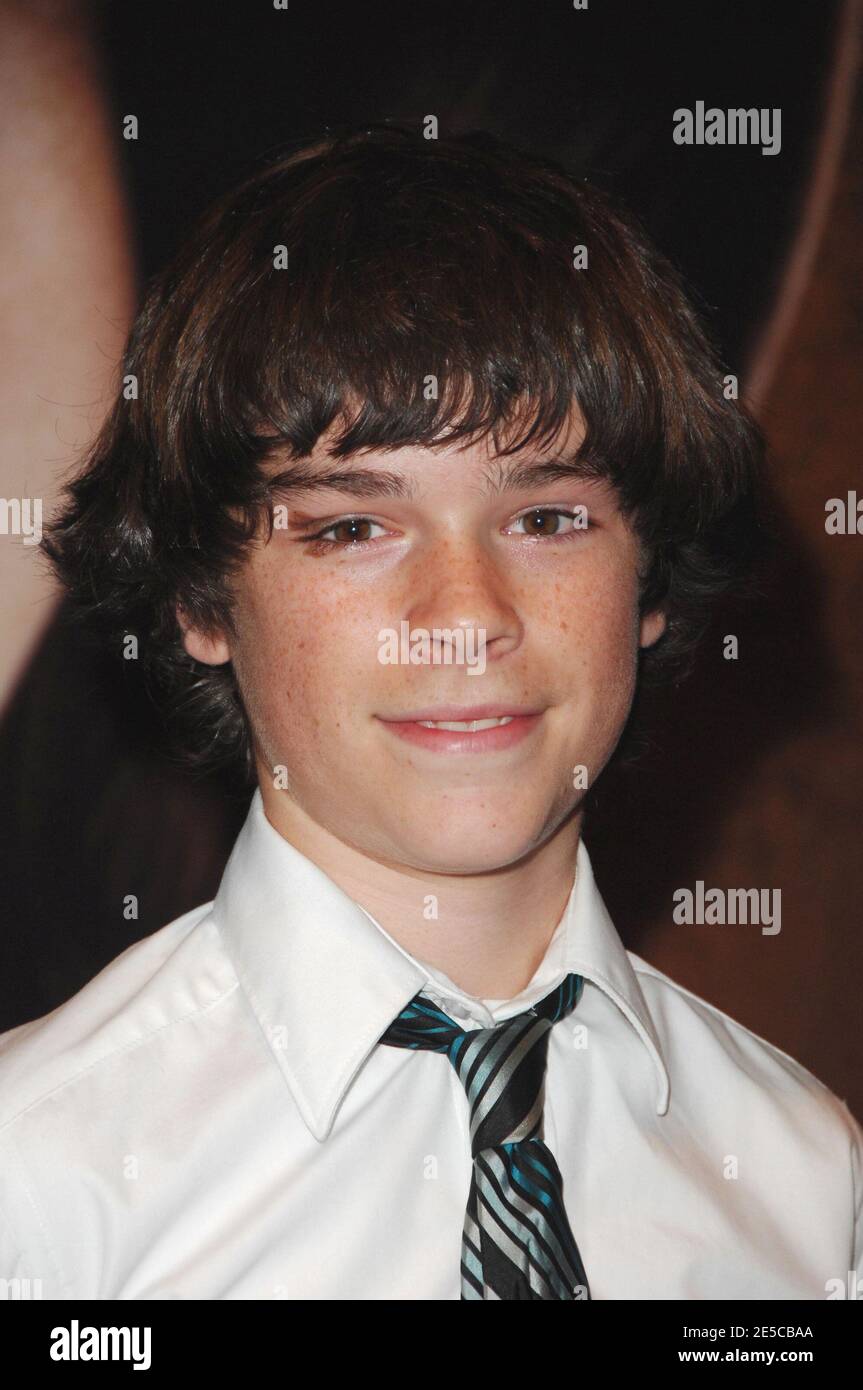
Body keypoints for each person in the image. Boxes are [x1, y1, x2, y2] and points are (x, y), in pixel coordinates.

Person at [1, 126, 859, 1301]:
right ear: (202, 598)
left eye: (547, 518)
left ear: (647, 579)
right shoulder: (38, 1182)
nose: (465, 617)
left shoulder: (803, 1179)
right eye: (352, 526)